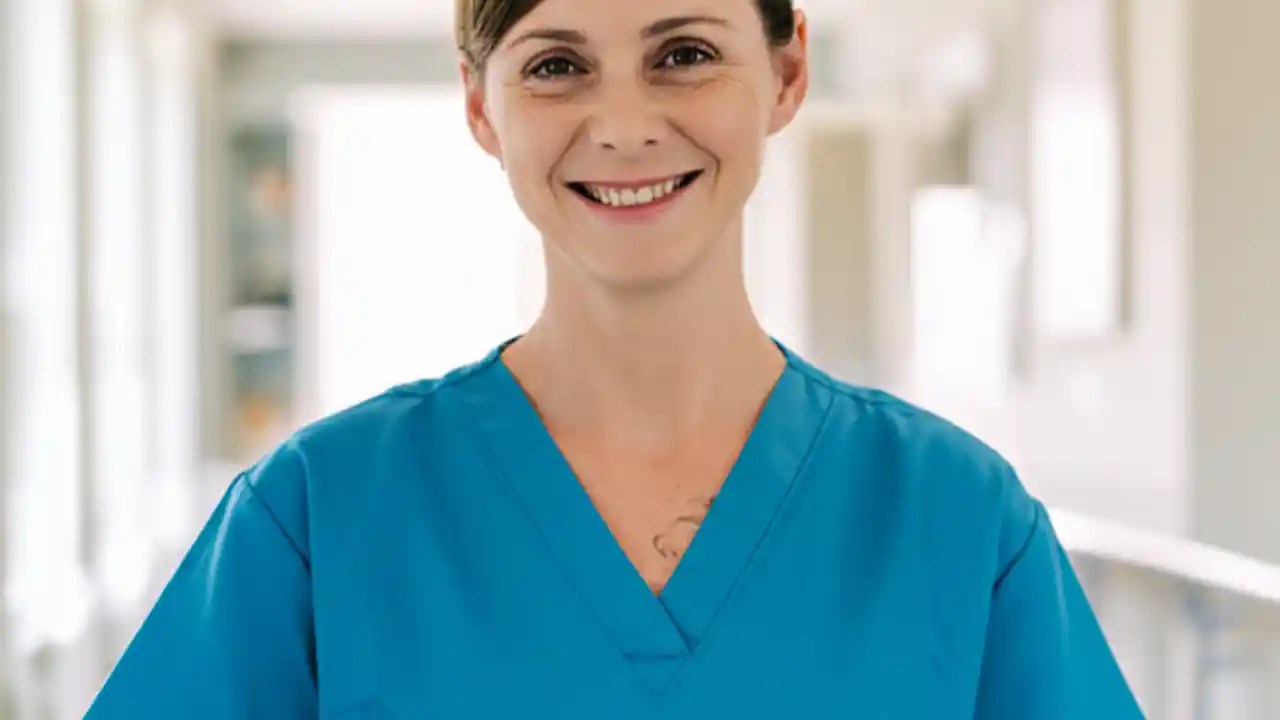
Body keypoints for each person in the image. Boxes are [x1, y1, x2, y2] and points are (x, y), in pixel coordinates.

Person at [86, 0, 1145, 717]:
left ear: (784, 75)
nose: (625, 124)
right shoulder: (319, 516)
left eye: (682, 53)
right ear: (477, 106)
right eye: (556, 66)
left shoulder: (953, 517)